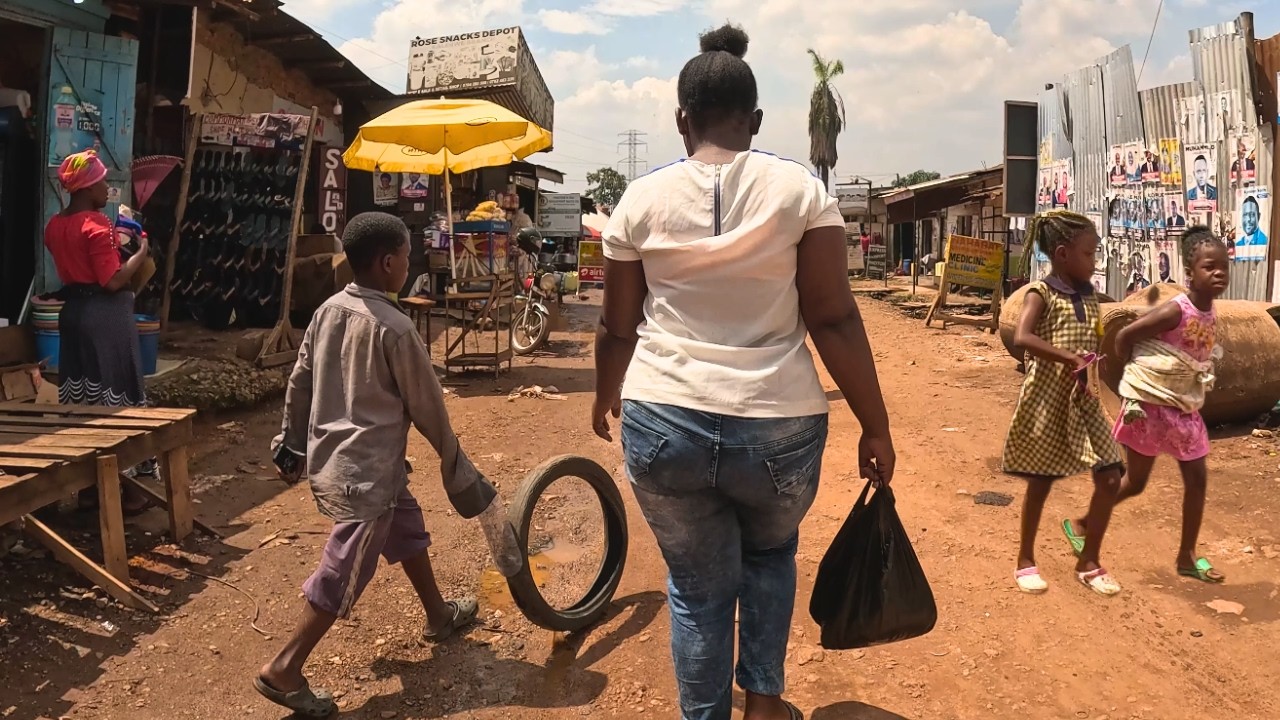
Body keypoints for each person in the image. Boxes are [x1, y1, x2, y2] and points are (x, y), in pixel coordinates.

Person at [592, 24, 895, 720]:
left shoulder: (637, 201)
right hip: (778, 428)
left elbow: (617, 327)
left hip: (664, 420)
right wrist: (875, 426)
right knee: (768, 558)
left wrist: (607, 394)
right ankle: (763, 707)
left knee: (698, 592)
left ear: (680, 121)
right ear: (754, 121)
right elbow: (834, 319)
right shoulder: (801, 193)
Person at [256, 212, 495, 718]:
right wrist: (458, 468)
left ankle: (438, 614)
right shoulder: (396, 327)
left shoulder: (327, 311)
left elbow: (300, 381)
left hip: (342, 461)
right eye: (407, 257)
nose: (409, 265)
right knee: (343, 568)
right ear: (388, 263)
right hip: (365, 475)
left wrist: (291, 442)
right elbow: (429, 408)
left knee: (404, 525)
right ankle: (285, 667)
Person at [1077, 227, 1229, 584]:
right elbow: (1127, 335)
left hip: (1183, 408)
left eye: (1224, 266)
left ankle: (1187, 556)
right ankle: (1086, 524)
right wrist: (1140, 378)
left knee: (1197, 480)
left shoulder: (1211, 311)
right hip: (1149, 406)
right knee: (1135, 483)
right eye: (1210, 267)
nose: (1219, 273)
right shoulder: (1176, 310)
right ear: (1190, 273)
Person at [1004, 210, 1126, 597]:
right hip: (1048, 397)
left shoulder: (1092, 296)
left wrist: (1094, 360)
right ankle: (1025, 559)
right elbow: (1022, 336)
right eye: (1089, 254)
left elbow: (1094, 336)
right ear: (1062, 254)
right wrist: (1068, 358)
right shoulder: (1041, 293)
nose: (1095, 261)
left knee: (1110, 476)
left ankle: (1089, 560)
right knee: (1041, 481)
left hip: (1083, 397)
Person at [43, 149, 155, 514]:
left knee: (84, 402)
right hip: (106, 318)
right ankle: (131, 491)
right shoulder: (96, 226)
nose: (108, 187)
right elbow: (111, 281)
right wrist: (140, 253)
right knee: (118, 396)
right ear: (88, 187)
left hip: (74, 315)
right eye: (103, 181)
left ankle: (91, 489)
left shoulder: (55, 225)